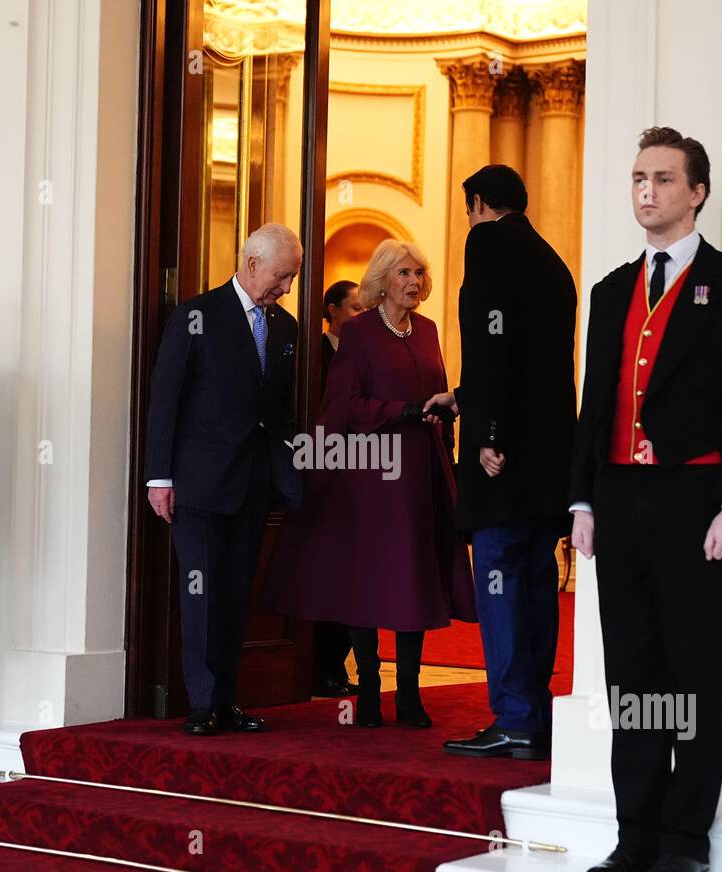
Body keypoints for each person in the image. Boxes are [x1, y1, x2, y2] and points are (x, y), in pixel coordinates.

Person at [569, 128, 722, 872]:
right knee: (631, 680)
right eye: (637, 177)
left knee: (691, 677)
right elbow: (594, 404)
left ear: (697, 192)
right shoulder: (609, 290)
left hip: (698, 503)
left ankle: (685, 841)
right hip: (619, 500)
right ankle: (635, 837)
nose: (646, 190)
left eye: (662, 178)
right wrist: (583, 497)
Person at [264, 240, 476, 728]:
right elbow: (343, 406)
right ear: (383, 280)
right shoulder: (359, 333)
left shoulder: (427, 330)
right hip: (372, 473)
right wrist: (401, 410)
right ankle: (369, 692)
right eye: (405, 273)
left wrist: (445, 425)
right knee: (368, 582)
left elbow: (436, 395)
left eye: (420, 273)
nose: (415, 282)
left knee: (413, 581)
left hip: (420, 472)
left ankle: (408, 693)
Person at [427, 164, 577, 762]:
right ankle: (533, 718)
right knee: (536, 584)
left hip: (503, 457)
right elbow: (532, 360)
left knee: (498, 579)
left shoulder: (488, 240)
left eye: (469, 209)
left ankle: (513, 718)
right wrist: (466, 396)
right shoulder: (551, 259)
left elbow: (490, 342)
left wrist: (486, 430)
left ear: (480, 203)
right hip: (547, 455)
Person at [145, 223, 304, 736]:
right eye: (282, 275)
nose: (287, 287)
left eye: (293, 278)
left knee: (236, 594)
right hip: (196, 483)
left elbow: (280, 410)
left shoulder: (286, 327)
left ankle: (227, 700)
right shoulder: (196, 315)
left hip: (254, 482)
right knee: (201, 592)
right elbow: (165, 399)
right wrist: (159, 478)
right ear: (252, 263)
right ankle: (202, 703)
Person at [311, 280, 365, 698]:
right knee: (324, 575)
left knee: (354, 578)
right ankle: (320, 667)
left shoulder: (366, 354)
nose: (361, 317)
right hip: (323, 471)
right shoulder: (314, 354)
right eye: (354, 309)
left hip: (362, 472)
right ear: (331, 311)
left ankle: (336, 665)